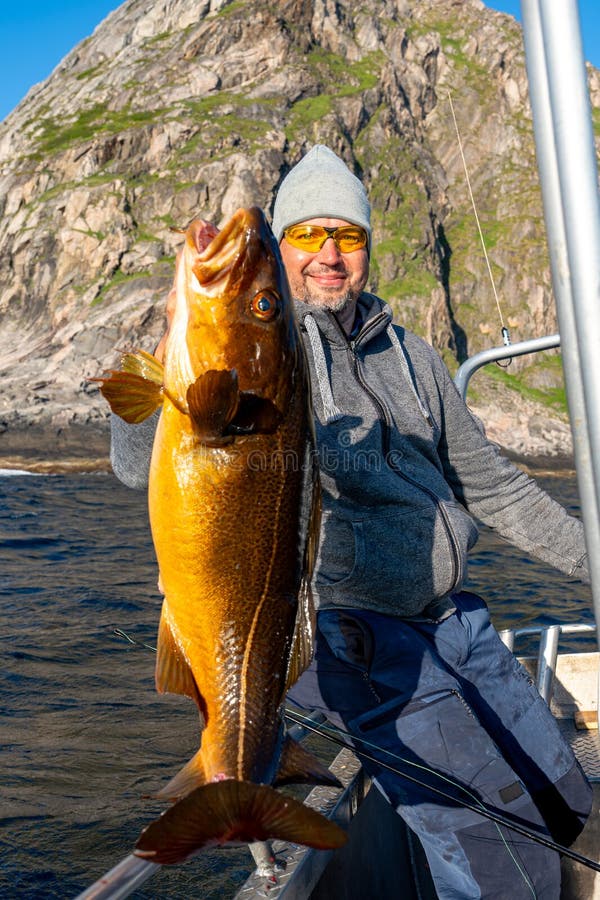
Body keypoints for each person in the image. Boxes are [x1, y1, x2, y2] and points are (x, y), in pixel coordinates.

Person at [110, 145, 592, 898]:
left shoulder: (416, 357)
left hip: (452, 621)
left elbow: (492, 486)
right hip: (352, 639)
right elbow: (143, 463)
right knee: (507, 864)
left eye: (349, 236)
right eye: (305, 235)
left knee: (566, 802)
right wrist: (178, 335)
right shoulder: (271, 350)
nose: (329, 255)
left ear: (368, 247)